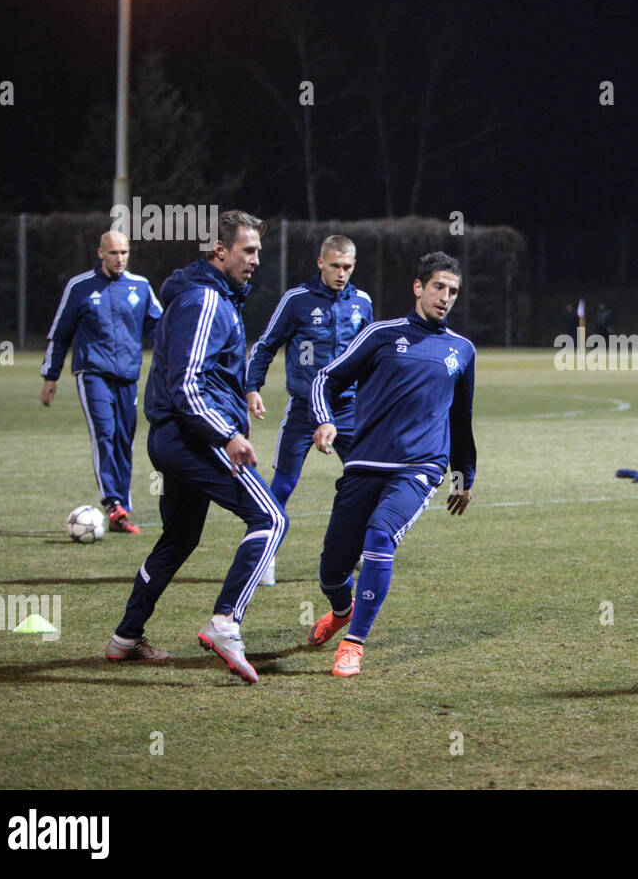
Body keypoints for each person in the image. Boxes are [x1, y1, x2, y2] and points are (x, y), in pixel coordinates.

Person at [105, 210, 288, 685]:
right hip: (192, 438)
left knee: (180, 538)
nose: (255, 260)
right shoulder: (206, 299)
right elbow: (187, 385)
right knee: (270, 519)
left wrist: (244, 392)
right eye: (248, 251)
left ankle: (126, 637)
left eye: (258, 252)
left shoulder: (210, 297)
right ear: (219, 251)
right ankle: (226, 622)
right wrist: (226, 434)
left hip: (175, 438)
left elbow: (207, 372)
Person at [305, 251, 476, 677]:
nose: (446, 297)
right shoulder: (381, 335)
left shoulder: (462, 350)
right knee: (331, 572)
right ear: (418, 287)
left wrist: (463, 474)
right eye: (439, 286)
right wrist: (324, 420)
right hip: (364, 464)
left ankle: (353, 643)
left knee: (380, 538)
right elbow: (326, 377)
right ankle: (341, 611)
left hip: (420, 468)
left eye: (453, 291)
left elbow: (461, 418)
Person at [245, 235, 374, 584]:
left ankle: (360, 550)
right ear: (320, 263)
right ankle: (263, 558)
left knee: (367, 481)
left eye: (347, 267)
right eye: (335, 266)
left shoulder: (362, 302)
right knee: (284, 485)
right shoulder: (297, 300)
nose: (341, 273)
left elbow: (371, 357)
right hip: (304, 410)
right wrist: (252, 387)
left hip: (348, 411)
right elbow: (266, 345)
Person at [40, 230, 162, 534]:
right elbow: (61, 332)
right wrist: (50, 376)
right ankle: (111, 503)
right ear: (100, 254)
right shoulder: (80, 287)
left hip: (128, 376)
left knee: (124, 439)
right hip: (92, 372)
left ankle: (122, 508)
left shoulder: (141, 286)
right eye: (113, 253)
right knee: (104, 432)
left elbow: (161, 328)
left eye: (123, 253)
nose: (119, 259)